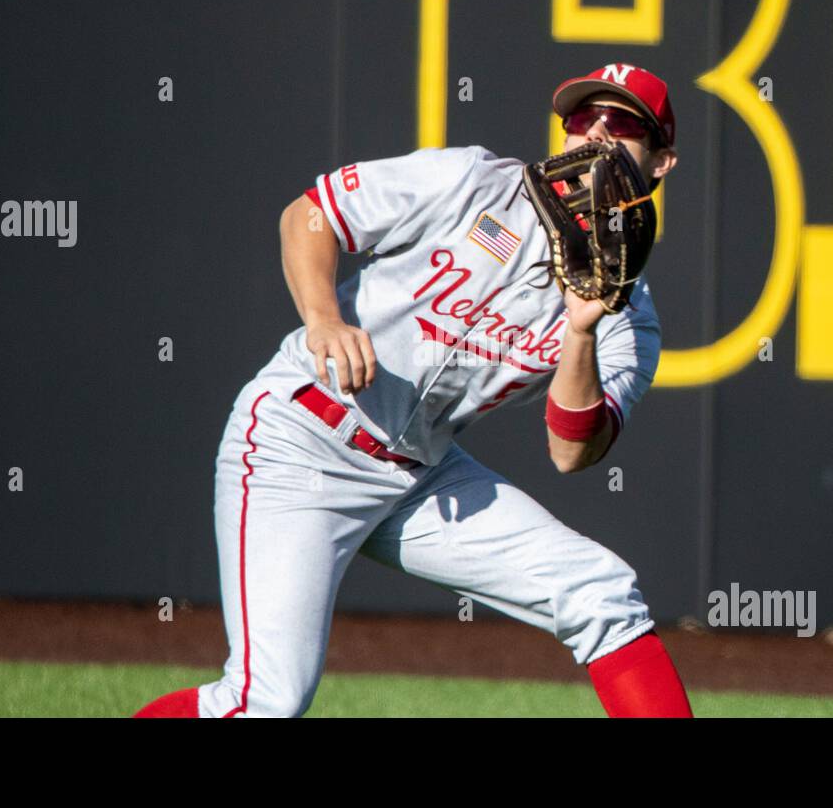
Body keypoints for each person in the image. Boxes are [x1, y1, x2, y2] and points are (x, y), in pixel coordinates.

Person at [136, 63, 692, 718]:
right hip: (304, 438)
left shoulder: (628, 313)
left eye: (624, 122)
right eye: (581, 117)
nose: (596, 131)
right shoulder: (470, 179)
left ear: (660, 162)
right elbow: (310, 216)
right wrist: (323, 316)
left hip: (419, 474)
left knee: (602, 592)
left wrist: (579, 330)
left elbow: (572, 452)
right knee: (266, 699)